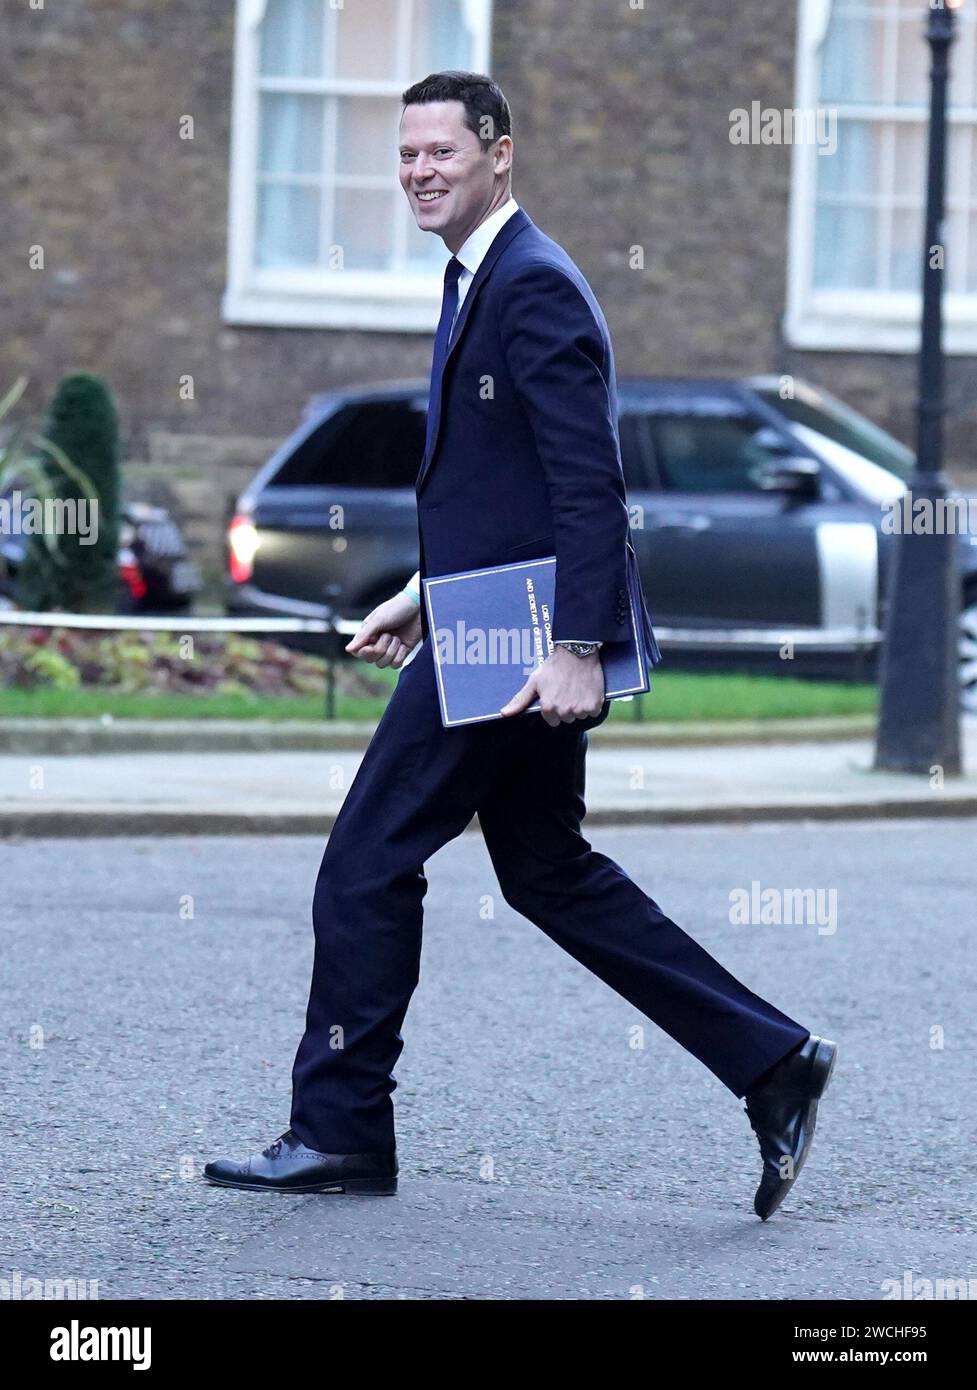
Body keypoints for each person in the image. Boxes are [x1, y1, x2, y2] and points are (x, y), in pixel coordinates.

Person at [206, 71, 836, 1220]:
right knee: (547, 871)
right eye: (405, 155)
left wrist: (579, 646)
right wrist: (422, 592)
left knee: (363, 860)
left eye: (440, 151)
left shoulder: (531, 284)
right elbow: (502, 487)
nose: (418, 171)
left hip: (521, 643)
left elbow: (589, 484)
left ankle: (338, 1129)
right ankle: (772, 1059)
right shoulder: (480, 278)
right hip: (487, 620)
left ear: (500, 153)